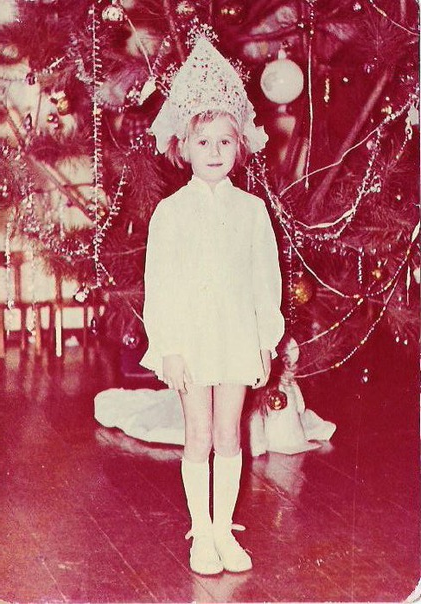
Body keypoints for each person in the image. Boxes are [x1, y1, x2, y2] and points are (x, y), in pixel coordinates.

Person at [140, 38, 285, 575]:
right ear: (184, 146)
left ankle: (224, 530)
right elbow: (160, 284)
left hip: (236, 336)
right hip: (192, 339)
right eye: (204, 141)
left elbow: (264, 279)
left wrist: (265, 340)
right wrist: (169, 347)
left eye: (226, 140)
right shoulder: (171, 213)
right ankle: (201, 531)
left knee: (229, 435)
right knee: (198, 435)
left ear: (239, 146)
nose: (216, 151)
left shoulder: (252, 211)